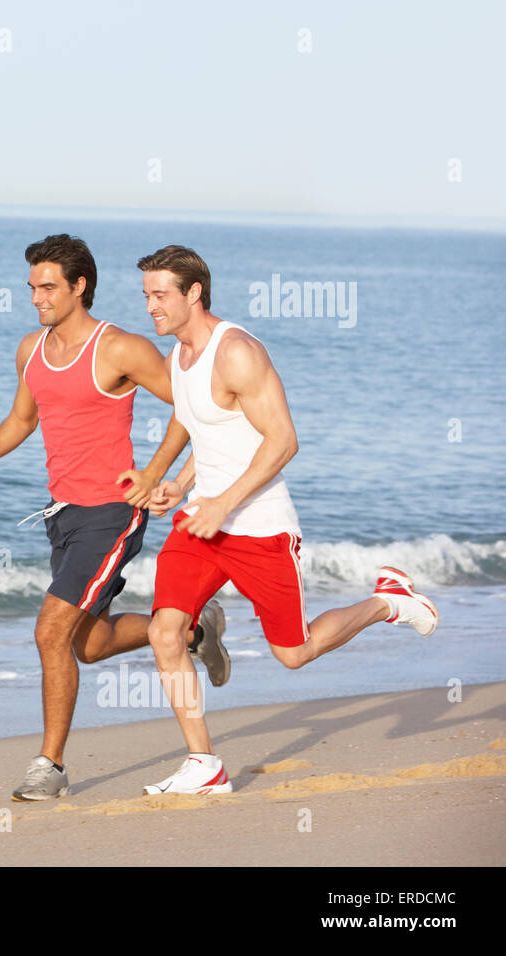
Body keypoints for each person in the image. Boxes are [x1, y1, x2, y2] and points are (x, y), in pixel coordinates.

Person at [137, 244, 439, 796]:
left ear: (194, 293)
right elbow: (201, 424)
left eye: (160, 296)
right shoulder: (176, 356)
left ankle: (390, 600)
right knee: (163, 632)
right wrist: (178, 484)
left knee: (293, 653)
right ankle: (205, 765)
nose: (151, 307)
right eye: (146, 297)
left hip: (259, 528)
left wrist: (225, 503)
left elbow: (283, 441)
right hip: (202, 523)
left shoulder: (238, 353)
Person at [0, 234, 227, 802]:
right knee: (88, 645)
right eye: (31, 287)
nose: (36, 297)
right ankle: (194, 630)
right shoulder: (31, 350)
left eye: (47, 286)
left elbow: (196, 404)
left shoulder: (119, 349)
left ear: (80, 287)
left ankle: (50, 767)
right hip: (63, 516)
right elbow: (23, 420)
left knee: (49, 631)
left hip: (112, 514)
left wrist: (159, 475)